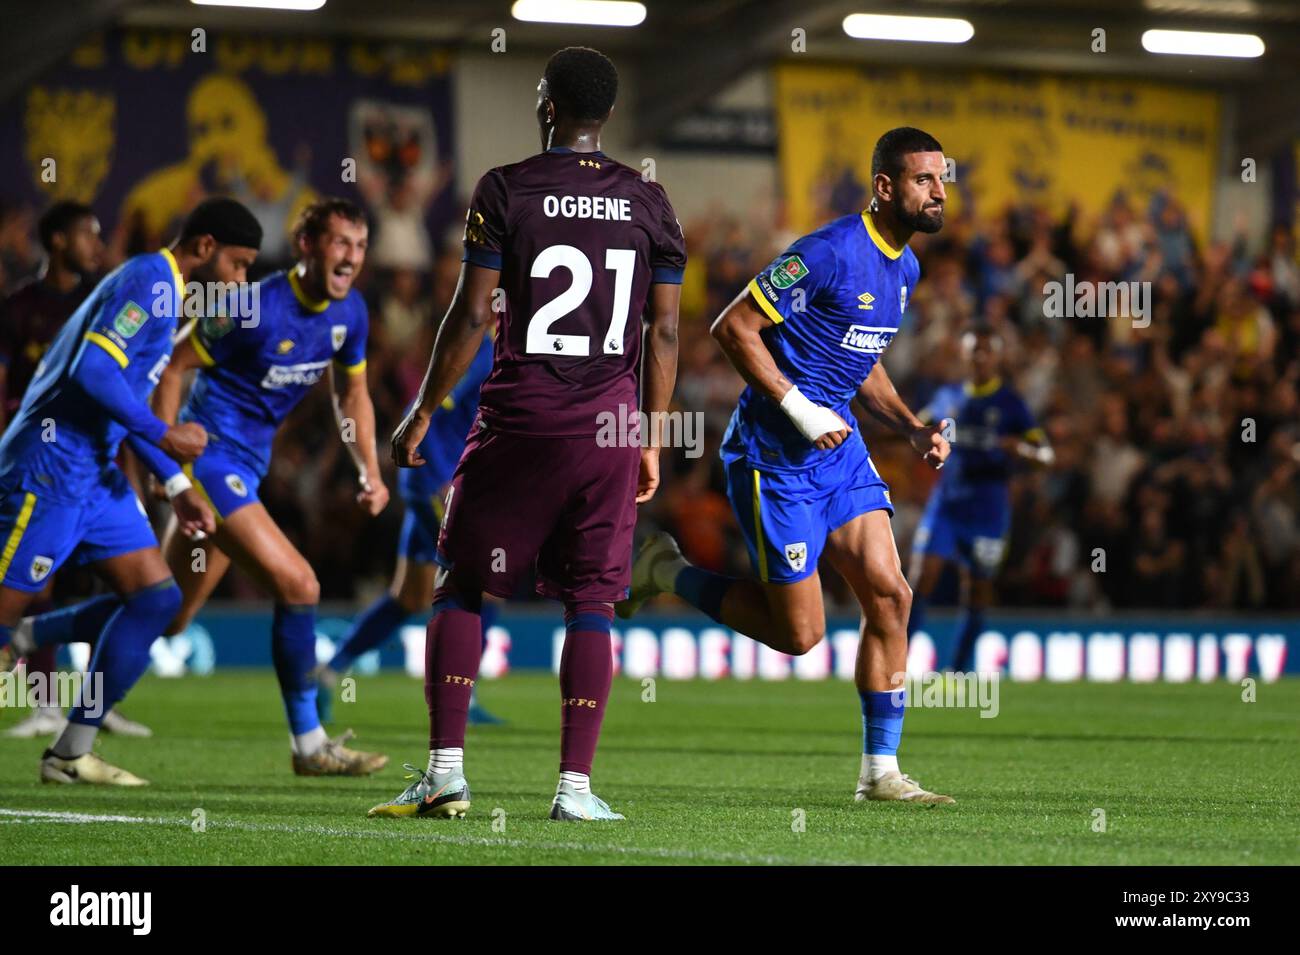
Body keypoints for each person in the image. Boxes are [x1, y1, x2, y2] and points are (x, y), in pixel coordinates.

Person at [372, 46, 685, 821]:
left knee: (463, 583)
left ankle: (446, 774)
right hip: (609, 426)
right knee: (594, 601)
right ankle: (574, 789)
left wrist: (421, 411)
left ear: (546, 104)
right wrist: (651, 438)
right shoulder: (652, 202)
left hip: (520, 420)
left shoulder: (506, 189)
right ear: (606, 115)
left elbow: (473, 315)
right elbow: (667, 332)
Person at [619, 127, 957, 805]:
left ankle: (880, 772)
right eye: (924, 180)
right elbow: (732, 326)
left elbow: (861, 362)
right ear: (885, 186)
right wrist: (800, 408)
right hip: (773, 456)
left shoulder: (906, 269)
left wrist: (911, 427)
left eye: (942, 179)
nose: (938, 192)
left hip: (840, 454)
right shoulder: (828, 252)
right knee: (800, 634)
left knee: (891, 594)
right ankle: (663, 569)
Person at [21, 198, 390, 778]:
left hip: (245, 466)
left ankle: (35, 649)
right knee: (299, 585)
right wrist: (168, 461)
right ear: (307, 246)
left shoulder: (353, 315)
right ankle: (309, 745)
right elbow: (171, 365)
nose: (352, 257)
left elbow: (354, 395)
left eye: (361, 246)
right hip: (209, 460)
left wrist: (369, 466)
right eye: (340, 242)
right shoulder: (248, 305)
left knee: (167, 614)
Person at [0, 197, 261, 784]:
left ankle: (69, 751)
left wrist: (173, 482)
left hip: (95, 474)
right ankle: (18, 635)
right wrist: (166, 433)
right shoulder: (148, 280)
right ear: (204, 248)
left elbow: (124, 402)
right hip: (49, 469)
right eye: (240, 264)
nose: (241, 279)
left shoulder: (166, 295)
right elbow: (90, 372)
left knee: (156, 600)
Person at [313, 331, 503, 726]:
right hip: (438, 479)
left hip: (438, 479)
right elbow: (425, 408)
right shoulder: (477, 349)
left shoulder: (493, 347)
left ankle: (328, 673)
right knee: (482, 587)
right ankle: (458, 697)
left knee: (409, 596)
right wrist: (436, 479)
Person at [907, 328, 1053, 671]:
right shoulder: (948, 396)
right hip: (946, 504)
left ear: (998, 357)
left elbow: (1046, 455)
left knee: (975, 592)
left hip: (987, 511)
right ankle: (893, 666)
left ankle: (957, 671)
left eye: (987, 351)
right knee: (918, 580)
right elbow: (914, 426)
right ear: (964, 354)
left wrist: (1021, 449)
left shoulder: (1010, 403)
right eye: (974, 351)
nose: (980, 358)